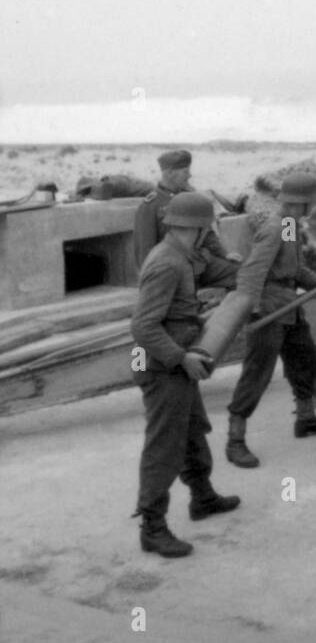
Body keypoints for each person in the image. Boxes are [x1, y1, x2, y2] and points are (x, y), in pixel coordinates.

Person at [130, 192, 242, 558]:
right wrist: (181, 358)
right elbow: (143, 326)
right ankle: (152, 526)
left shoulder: (182, 256)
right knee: (164, 445)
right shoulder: (167, 263)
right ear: (194, 228)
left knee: (193, 429)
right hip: (163, 367)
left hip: (177, 363)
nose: (206, 236)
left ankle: (202, 497)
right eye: (205, 230)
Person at [225, 174, 316, 467]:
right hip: (269, 311)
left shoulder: (291, 226)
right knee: (258, 374)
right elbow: (252, 272)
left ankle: (305, 419)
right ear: (304, 203)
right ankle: (235, 439)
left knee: (304, 359)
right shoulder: (276, 228)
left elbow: (295, 270)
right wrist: (252, 310)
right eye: (314, 201)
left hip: (289, 306)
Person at [133, 149, 227, 269]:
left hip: (198, 263)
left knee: (238, 271)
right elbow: (144, 250)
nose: (190, 175)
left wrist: (225, 254)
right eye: (185, 171)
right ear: (170, 173)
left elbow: (207, 233)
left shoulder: (191, 197)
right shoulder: (150, 205)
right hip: (171, 269)